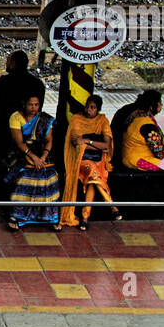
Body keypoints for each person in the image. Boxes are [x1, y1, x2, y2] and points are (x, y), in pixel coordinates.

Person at [122, 89, 164, 222]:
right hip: (138, 159)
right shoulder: (146, 124)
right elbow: (158, 151)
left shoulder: (136, 116)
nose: (161, 106)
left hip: (133, 155)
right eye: (160, 103)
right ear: (152, 106)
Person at [0, 50, 46, 163]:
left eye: (8, 61)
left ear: (13, 64)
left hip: (4, 128)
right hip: (28, 130)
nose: (6, 63)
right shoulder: (38, 84)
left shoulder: (3, 82)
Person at [60, 94, 119, 230]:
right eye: (87, 106)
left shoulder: (102, 120)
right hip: (80, 161)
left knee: (93, 180)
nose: (88, 110)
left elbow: (106, 146)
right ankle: (111, 205)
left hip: (99, 162)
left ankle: (85, 218)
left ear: (98, 109)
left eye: (92, 108)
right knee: (92, 172)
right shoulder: (77, 119)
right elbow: (76, 143)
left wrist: (87, 141)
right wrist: (96, 144)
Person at [4, 94, 61, 231]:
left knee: (50, 177)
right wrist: (33, 157)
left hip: (41, 155)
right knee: (25, 178)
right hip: (21, 154)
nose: (33, 108)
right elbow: (19, 143)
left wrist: (42, 157)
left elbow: (49, 141)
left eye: (36, 104)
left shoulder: (44, 120)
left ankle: (50, 217)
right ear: (25, 104)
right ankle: (17, 216)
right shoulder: (16, 117)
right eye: (31, 104)